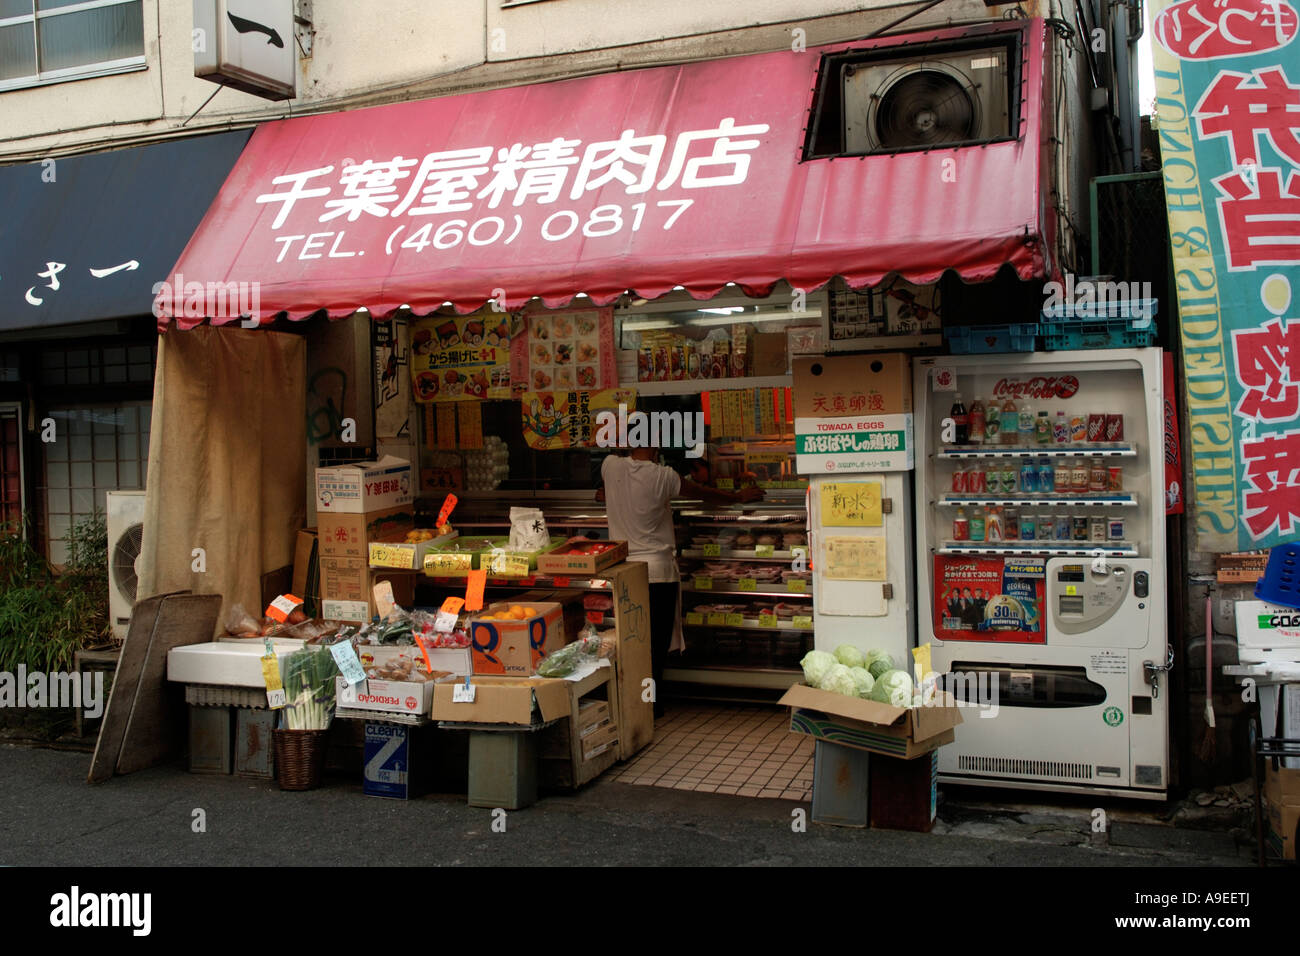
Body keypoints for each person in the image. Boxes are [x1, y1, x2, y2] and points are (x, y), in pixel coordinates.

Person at [598, 446, 763, 719]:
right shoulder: (663, 476)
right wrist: (737, 497)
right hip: (657, 572)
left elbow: (605, 490)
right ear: (653, 445)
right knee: (654, 644)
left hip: (624, 570)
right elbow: (704, 494)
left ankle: (634, 701)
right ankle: (649, 704)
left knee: (632, 639)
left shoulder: (609, 466)